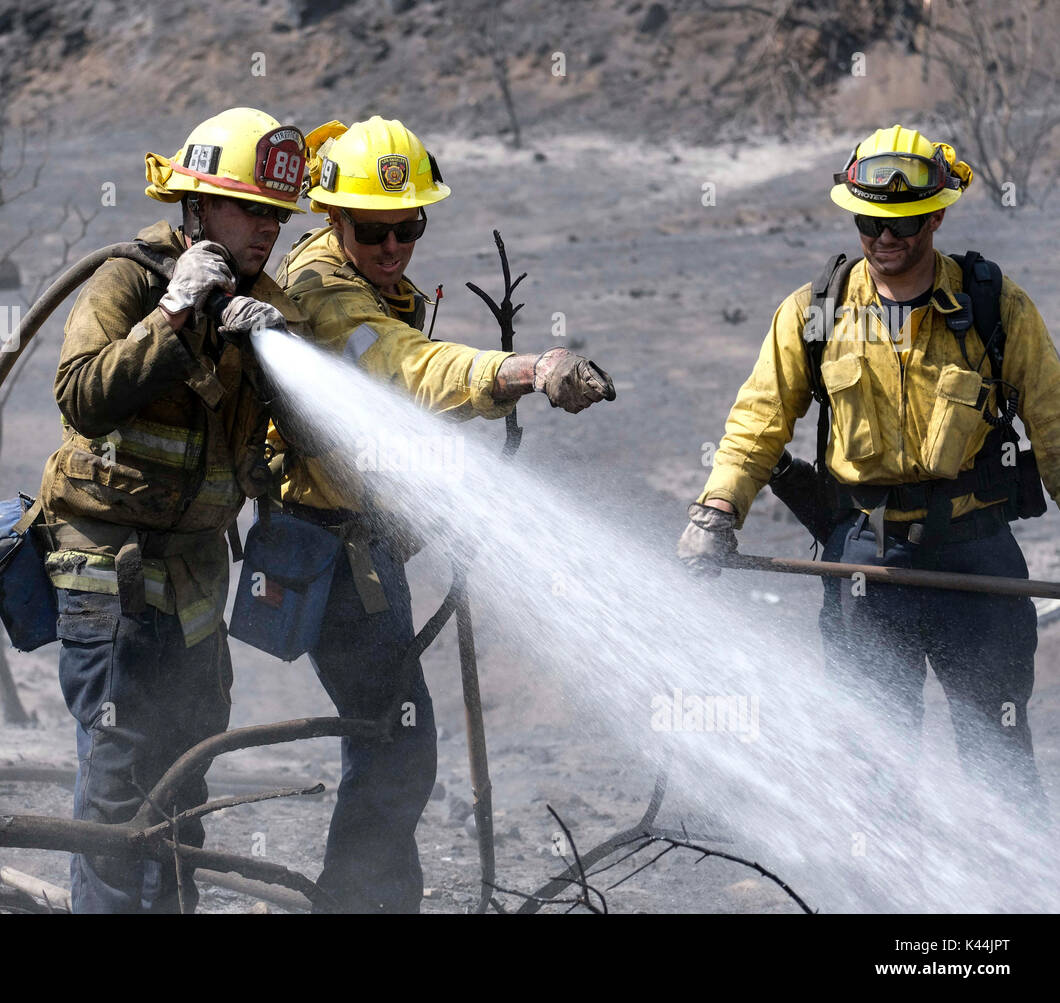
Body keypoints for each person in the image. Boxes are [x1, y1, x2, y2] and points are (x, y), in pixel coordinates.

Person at [271, 115, 616, 912]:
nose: (393, 246)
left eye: (409, 227)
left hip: (363, 536)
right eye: (374, 229)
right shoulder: (324, 292)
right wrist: (524, 369)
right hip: (326, 548)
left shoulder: (370, 279)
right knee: (397, 746)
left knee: (395, 743)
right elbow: (405, 371)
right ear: (332, 217)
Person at [677, 124, 1057, 831]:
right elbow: (758, 422)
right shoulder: (814, 312)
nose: (885, 239)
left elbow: (1057, 425)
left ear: (937, 214)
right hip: (864, 564)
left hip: (976, 561)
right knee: (873, 771)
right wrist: (717, 511)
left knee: (998, 758)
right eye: (870, 222)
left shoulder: (995, 307)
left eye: (903, 223)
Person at [35, 107, 308, 912]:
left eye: (277, 216)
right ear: (196, 208)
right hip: (106, 579)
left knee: (185, 788)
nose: (266, 231)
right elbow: (81, 396)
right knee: (118, 790)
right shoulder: (132, 278)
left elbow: (289, 455)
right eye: (249, 210)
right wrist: (171, 316)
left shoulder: (266, 304)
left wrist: (278, 361)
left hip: (195, 588)